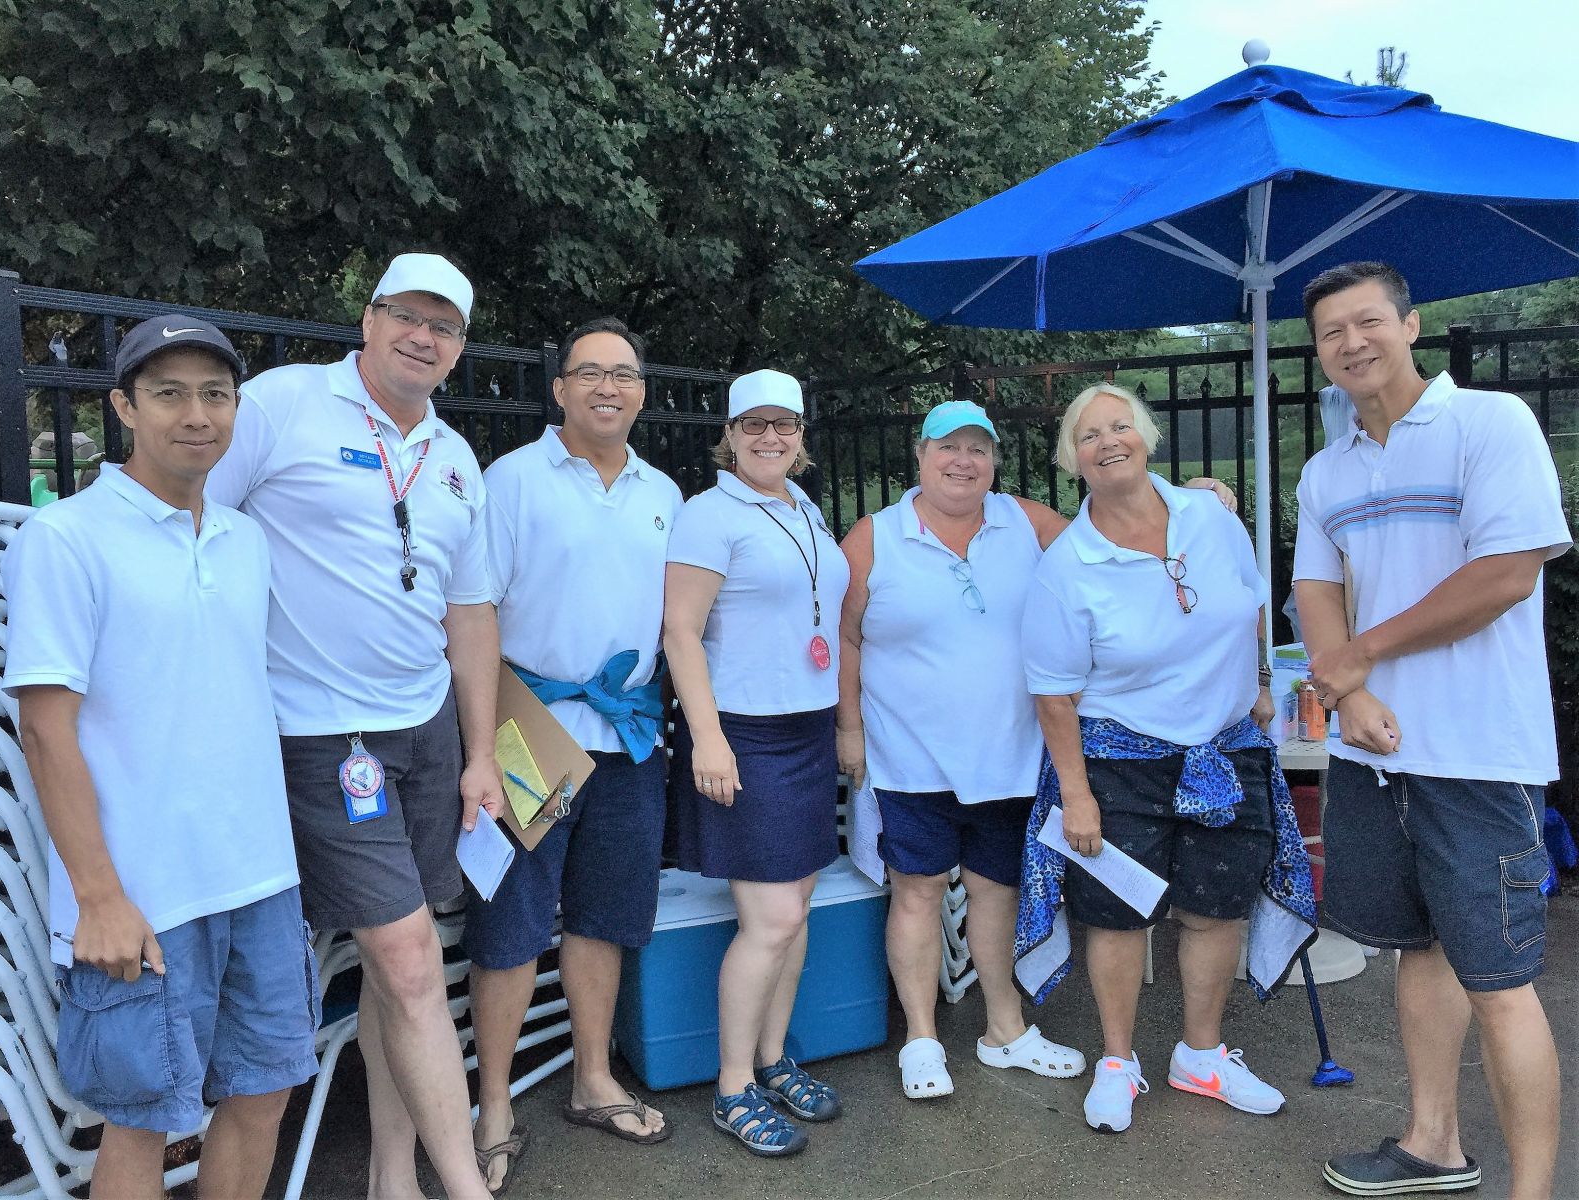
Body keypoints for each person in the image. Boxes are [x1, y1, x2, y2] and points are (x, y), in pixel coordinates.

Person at [837, 400, 1235, 1100]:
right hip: (908, 756)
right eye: (947, 447)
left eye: (978, 449)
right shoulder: (874, 537)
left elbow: (1117, 535)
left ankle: (1004, 1031)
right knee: (917, 894)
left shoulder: (1026, 522)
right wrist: (848, 729)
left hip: (1011, 757)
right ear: (920, 456)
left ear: (994, 460)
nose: (963, 461)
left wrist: (1193, 499)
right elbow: (845, 638)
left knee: (997, 895)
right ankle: (922, 1041)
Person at [208, 254, 502, 1200]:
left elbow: (471, 612)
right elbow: (189, 521)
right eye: (407, 316)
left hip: (425, 729)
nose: (425, 337)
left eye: (445, 326)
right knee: (411, 959)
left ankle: (389, 1176)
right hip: (323, 736)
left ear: (459, 348)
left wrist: (484, 752)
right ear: (368, 318)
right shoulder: (285, 403)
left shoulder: (454, 458)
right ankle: (462, 1186)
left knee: (398, 964)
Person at [3, 317, 316, 1199]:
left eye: (215, 394)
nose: (196, 414)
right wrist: (99, 896)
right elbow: (45, 730)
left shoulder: (245, 541)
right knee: (140, 1119)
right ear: (123, 406)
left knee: (266, 1092)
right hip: (142, 896)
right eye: (169, 393)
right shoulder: (65, 538)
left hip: (258, 877)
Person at [1294, 262, 1568, 1200]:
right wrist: (1349, 693)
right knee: (1418, 950)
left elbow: (1506, 574)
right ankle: (1433, 1144)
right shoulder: (1326, 469)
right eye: (1332, 332)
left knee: (1497, 979)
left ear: (1412, 325)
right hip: (1376, 754)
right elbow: (1314, 590)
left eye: (1368, 321)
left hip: (1480, 753)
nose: (1352, 342)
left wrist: (1364, 653)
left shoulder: (1489, 424)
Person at [1014, 383, 1316, 1137]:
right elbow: (1053, 696)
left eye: (1121, 426)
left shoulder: (1211, 518)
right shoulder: (1065, 567)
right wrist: (1076, 796)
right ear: (1072, 460)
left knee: (1217, 910)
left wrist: (1260, 684)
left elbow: (1250, 603)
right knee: (1116, 918)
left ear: (1147, 437)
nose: (1109, 441)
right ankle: (1118, 1062)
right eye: (1090, 435)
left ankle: (1202, 1056)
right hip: (1117, 763)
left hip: (1226, 752)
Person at [464, 317, 680, 1189]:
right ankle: (493, 1107)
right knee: (512, 923)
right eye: (589, 372)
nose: (607, 388)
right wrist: (481, 743)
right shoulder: (511, 481)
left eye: (624, 374)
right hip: (528, 726)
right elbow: (473, 612)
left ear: (640, 390)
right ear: (558, 388)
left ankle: (592, 1080)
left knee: (603, 914)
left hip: (628, 732)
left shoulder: (663, 491)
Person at [662, 369, 849, 1158]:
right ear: (730, 435)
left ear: (802, 433)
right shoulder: (708, 515)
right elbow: (680, 633)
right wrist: (708, 738)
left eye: (785, 425)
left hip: (807, 732)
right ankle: (733, 1085)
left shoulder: (802, 508)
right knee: (769, 920)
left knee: (796, 912)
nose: (770, 438)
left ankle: (775, 1059)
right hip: (747, 735)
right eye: (753, 426)